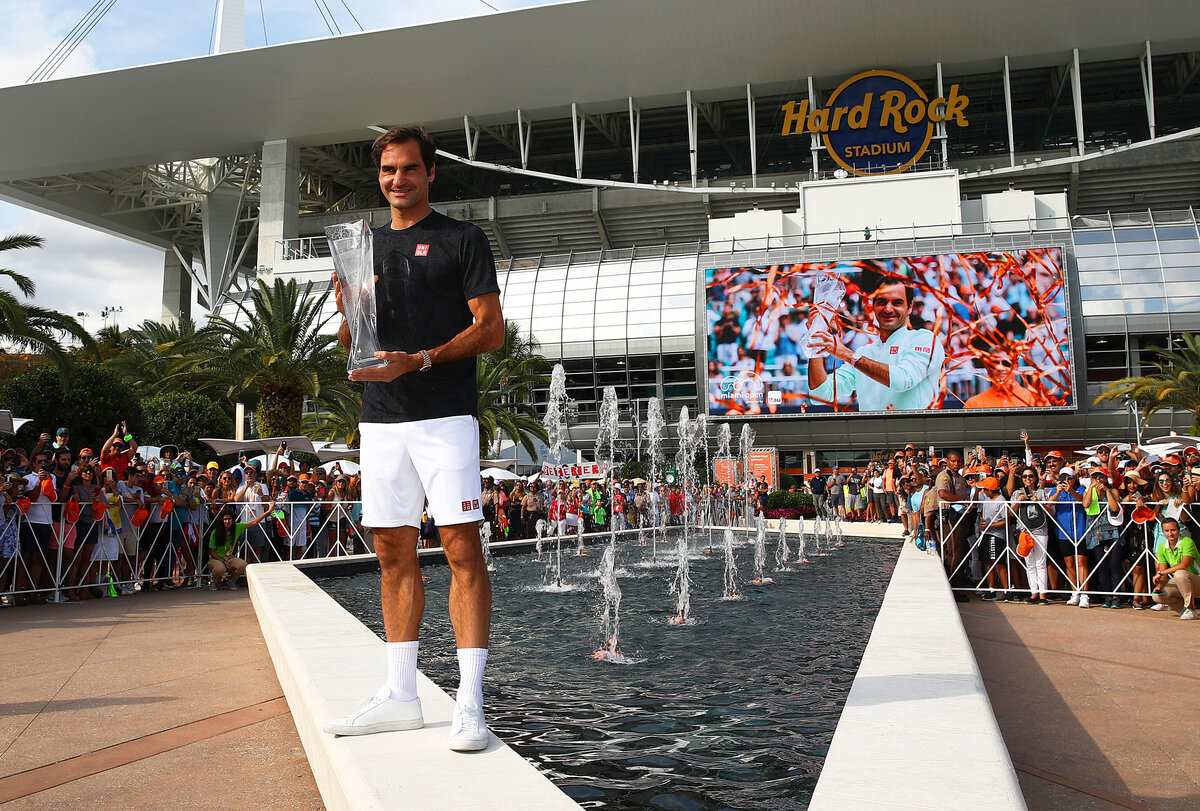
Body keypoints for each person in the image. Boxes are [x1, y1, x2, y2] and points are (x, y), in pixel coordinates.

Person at [323, 126, 503, 752]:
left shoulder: (461, 239)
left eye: (409, 169)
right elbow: (353, 342)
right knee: (392, 554)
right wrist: (352, 309)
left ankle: (470, 705)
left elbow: (491, 330)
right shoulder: (360, 248)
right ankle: (401, 695)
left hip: (445, 414)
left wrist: (423, 360)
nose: (398, 180)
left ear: (430, 173)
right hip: (380, 418)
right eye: (388, 171)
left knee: (460, 550)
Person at [806, 277, 946, 412]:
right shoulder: (864, 352)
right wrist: (816, 335)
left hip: (914, 436)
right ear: (872, 306)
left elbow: (901, 380)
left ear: (909, 307)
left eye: (897, 303)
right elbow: (820, 395)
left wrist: (848, 355)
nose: (888, 309)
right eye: (882, 302)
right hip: (871, 436)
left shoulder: (925, 339)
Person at [206, 505, 275, 590]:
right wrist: (223, 560)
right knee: (220, 569)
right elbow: (212, 552)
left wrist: (268, 511)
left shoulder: (237, 527)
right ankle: (214, 581)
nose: (227, 521)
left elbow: (254, 522)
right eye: (225, 519)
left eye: (229, 519)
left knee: (243, 565)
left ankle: (231, 581)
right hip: (216, 558)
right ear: (222, 521)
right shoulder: (215, 532)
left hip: (229, 557)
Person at [1150, 518, 1200, 620]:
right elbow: (1163, 574)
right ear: (1163, 532)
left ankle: (1191, 609)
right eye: (1167, 531)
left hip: (1196, 579)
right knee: (1157, 596)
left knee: (1180, 574)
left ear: (1178, 530)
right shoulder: (1162, 547)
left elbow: (1183, 566)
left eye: (1173, 530)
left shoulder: (1187, 542)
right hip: (1181, 581)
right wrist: (1160, 584)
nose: (1170, 534)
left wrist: (1161, 572)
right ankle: (1182, 610)